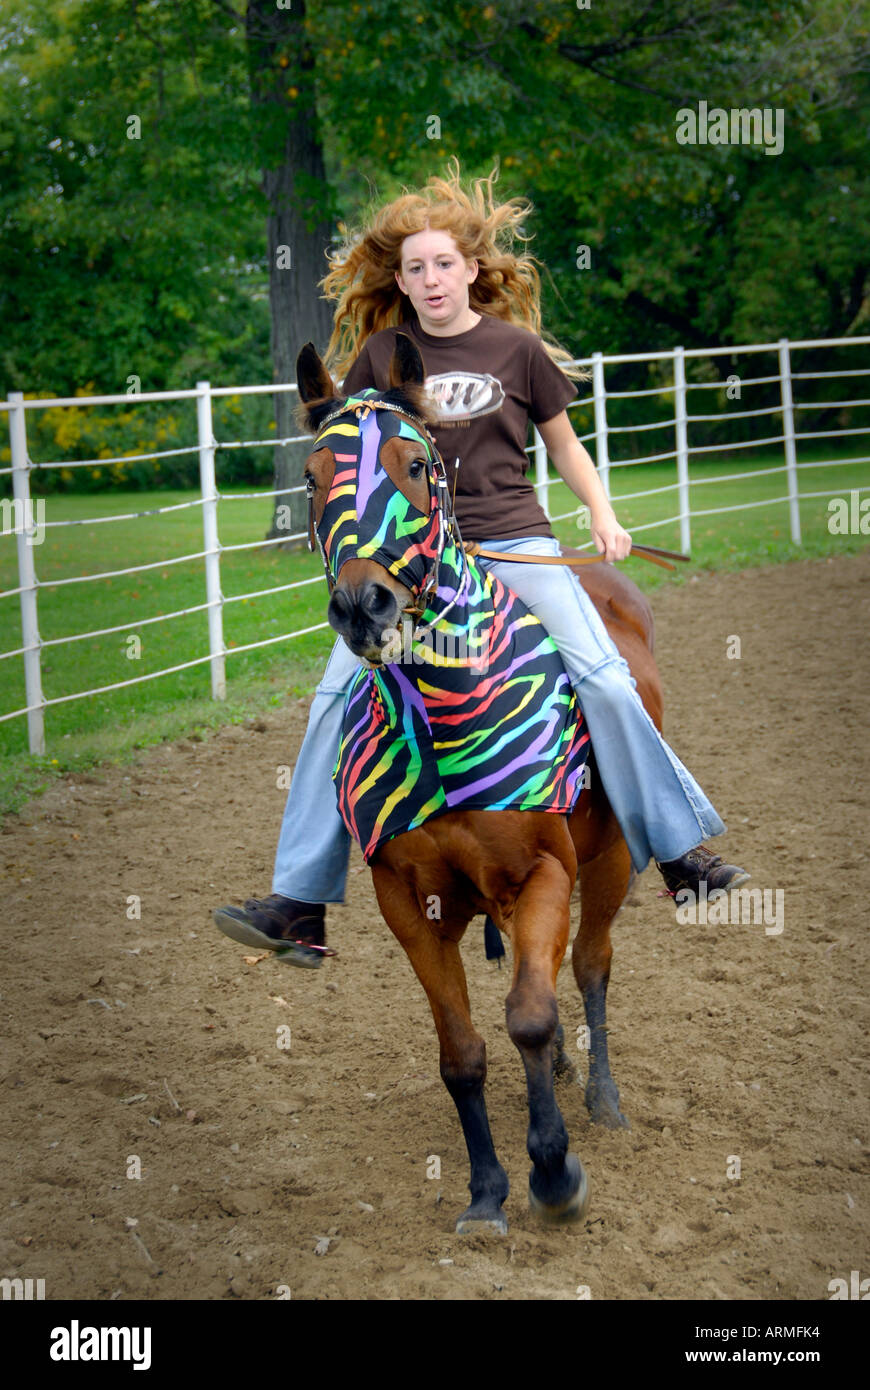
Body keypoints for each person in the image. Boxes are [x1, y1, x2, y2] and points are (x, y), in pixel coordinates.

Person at [213, 162, 748, 968]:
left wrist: (602, 514)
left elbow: (564, 447)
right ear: (400, 278)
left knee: (603, 676)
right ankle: (298, 903)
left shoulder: (517, 350)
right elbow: (354, 457)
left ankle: (678, 852)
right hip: (415, 567)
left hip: (516, 546)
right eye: (415, 267)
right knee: (333, 695)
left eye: (444, 264)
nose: (430, 278)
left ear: (472, 270)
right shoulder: (381, 356)